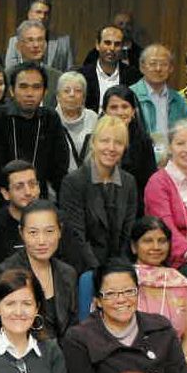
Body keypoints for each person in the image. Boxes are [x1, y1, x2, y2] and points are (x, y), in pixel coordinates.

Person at [59, 115, 139, 271]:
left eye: (118, 143)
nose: (111, 148)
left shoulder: (129, 182)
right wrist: (100, 274)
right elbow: (77, 238)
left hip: (118, 269)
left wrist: (118, 270)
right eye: (104, 141)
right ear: (93, 143)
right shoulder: (74, 182)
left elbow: (127, 234)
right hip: (84, 269)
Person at [0, 200, 78, 339]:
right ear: (21, 233)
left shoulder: (68, 273)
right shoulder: (5, 273)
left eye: (49, 231)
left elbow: (73, 326)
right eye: (33, 232)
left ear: (60, 231)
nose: (42, 240)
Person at [0, 62, 70, 201]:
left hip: (38, 199)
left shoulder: (50, 119)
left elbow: (60, 169)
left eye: (36, 87)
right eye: (23, 87)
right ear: (12, 90)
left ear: (45, 92)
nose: (30, 94)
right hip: (0, 199)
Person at [143, 120, 187, 266]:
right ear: (170, 148)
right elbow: (165, 228)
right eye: (180, 144)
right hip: (170, 263)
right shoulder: (157, 182)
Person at [128, 216, 187, 354]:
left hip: (175, 366)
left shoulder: (181, 284)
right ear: (133, 247)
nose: (156, 247)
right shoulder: (123, 280)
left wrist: (184, 367)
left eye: (162, 241)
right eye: (148, 241)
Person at [98, 86, 157, 199]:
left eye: (125, 107)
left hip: (135, 205)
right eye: (114, 107)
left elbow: (150, 181)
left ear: (133, 111)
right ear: (105, 111)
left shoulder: (144, 141)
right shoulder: (95, 139)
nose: (120, 112)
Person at [130, 44, 187, 145]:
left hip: (173, 157)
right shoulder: (130, 96)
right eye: (153, 64)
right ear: (142, 67)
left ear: (171, 68)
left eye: (164, 64)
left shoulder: (179, 100)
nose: (158, 69)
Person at [78, 24, 142, 107]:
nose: (112, 48)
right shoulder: (82, 75)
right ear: (97, 45)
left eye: (117, 44)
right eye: (107, 43)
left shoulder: (133, 76)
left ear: (122, 47)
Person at [3, 0, 73, 71]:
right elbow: (10, 70)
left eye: (46, 13)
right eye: (38, 12)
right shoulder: (15, 41)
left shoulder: (63, 42)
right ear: (29, 14)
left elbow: (69, 72)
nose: (42, 16)